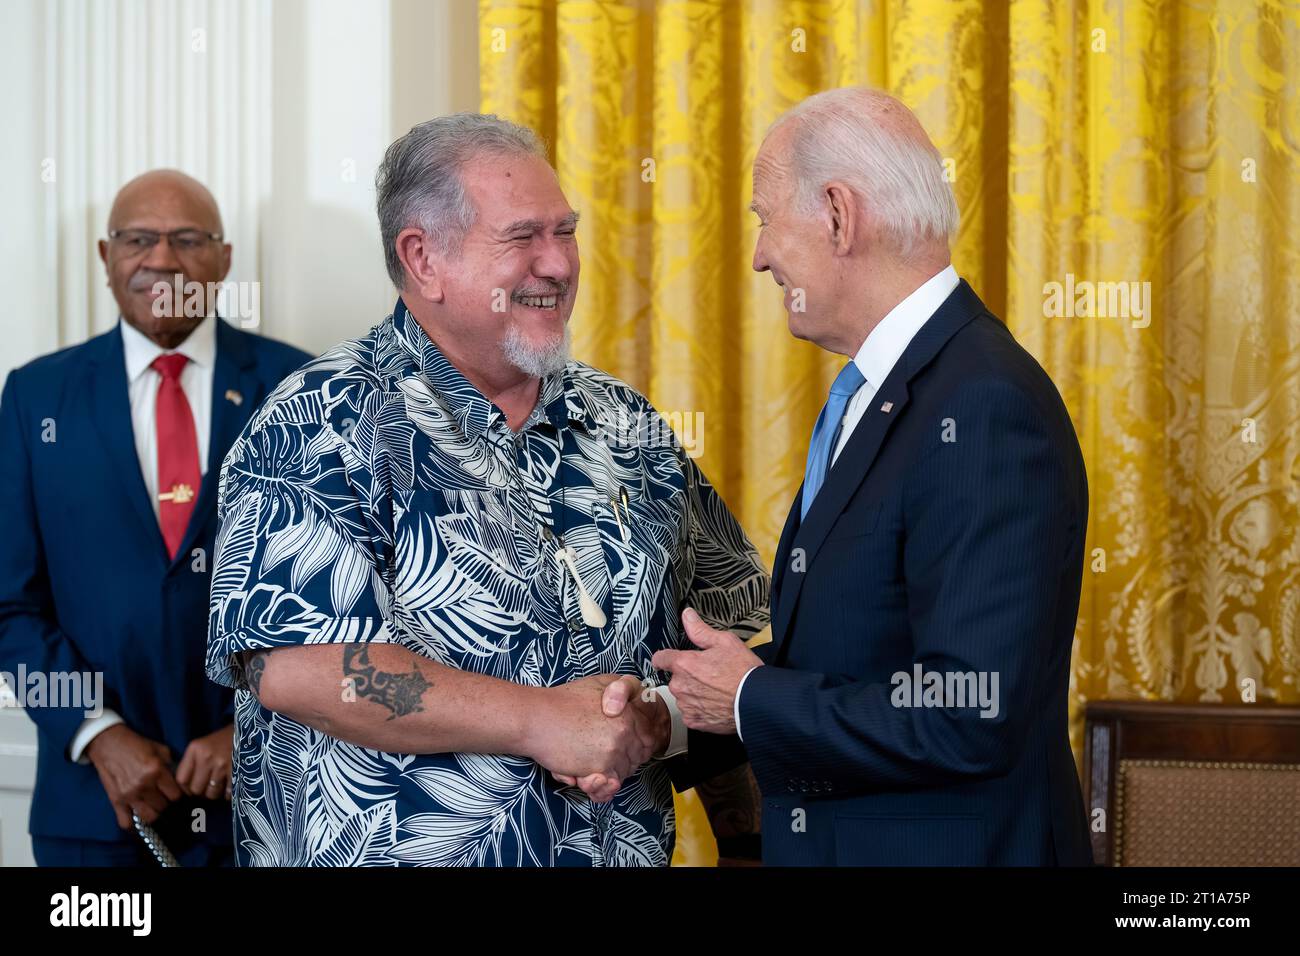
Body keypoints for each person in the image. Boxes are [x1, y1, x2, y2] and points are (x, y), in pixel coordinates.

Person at [205, 114, 769, 867]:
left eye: (565, 232)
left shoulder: (627, 424)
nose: (558, 264)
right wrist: (540, 720)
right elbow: (301, 669)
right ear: (423, 257)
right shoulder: (321, 422)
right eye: (523, 237)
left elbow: (721, 647)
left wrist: (748, 840)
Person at [654, 87, 1094, 866]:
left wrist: (750, 699)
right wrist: (669, 721)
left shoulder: (984, 405)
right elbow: (852, 660)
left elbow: (969, 707)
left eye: (764, 217)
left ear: (836, 214)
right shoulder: (900, 385)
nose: (758, 254)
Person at [0, 169, 312, 866]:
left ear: (225, 260)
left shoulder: (300, 390)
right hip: (93, 815)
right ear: (106, 258)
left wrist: (255, 725)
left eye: (187, 240)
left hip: (266, 809)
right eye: (139, 239)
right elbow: (10, 606)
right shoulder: (36, 397)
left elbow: (340, 602)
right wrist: (95, 731)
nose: (163, 260)